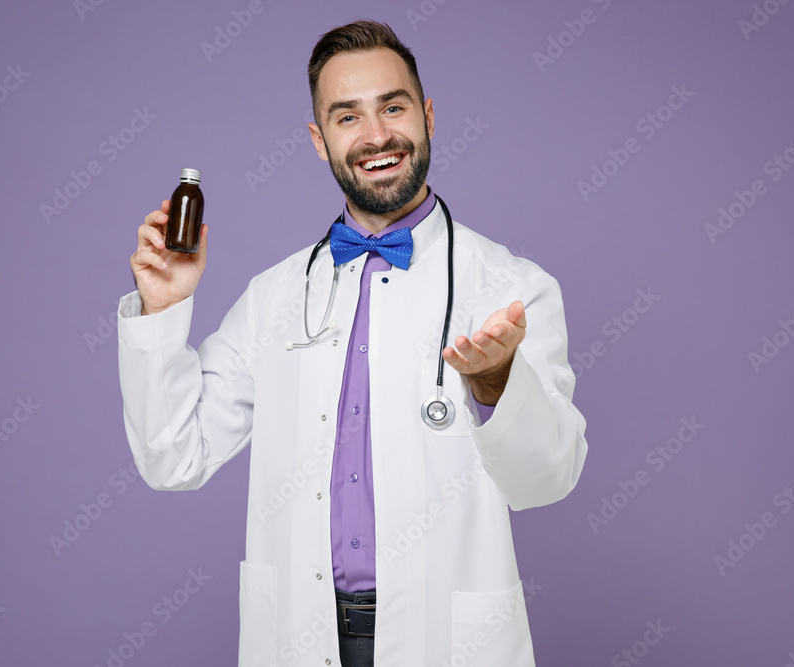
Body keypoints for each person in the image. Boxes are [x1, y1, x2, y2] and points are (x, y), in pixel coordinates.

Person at [118, 19, 588, 667]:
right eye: (347, 117)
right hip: (300, 634)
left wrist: (497, 384)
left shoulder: (511, 286)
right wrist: (161, 310)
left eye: (393, 107)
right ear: (319, 140)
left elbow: (547, 479)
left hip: (446, 640)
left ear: (426, 115)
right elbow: (173, 457)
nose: (376, 136)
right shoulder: (273, 297)